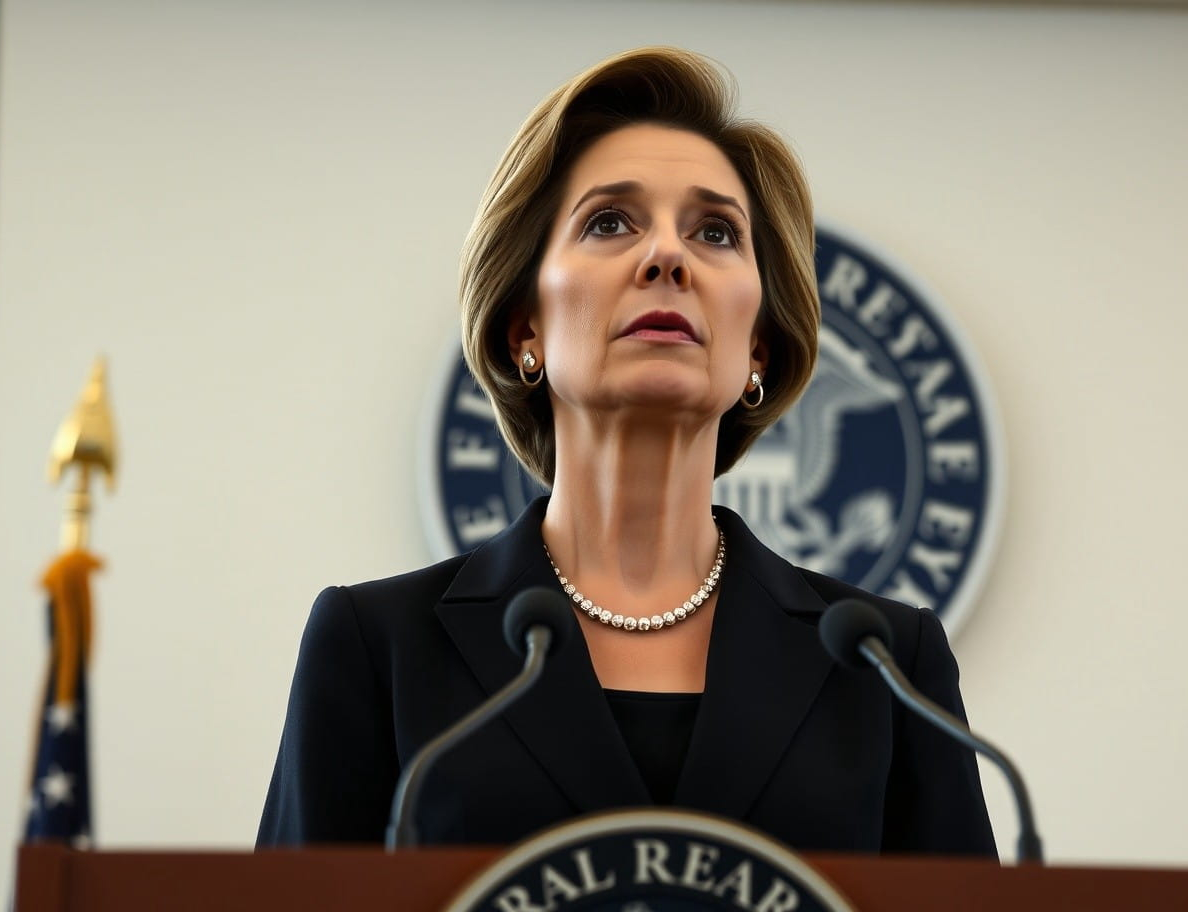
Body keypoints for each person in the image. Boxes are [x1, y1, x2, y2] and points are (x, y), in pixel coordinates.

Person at [257, 47, 996, 856]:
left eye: (716, 231)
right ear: (525, 328)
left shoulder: (886, 667)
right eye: (610, 222)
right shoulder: (378, 647)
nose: (667, 256)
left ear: (758, 347)